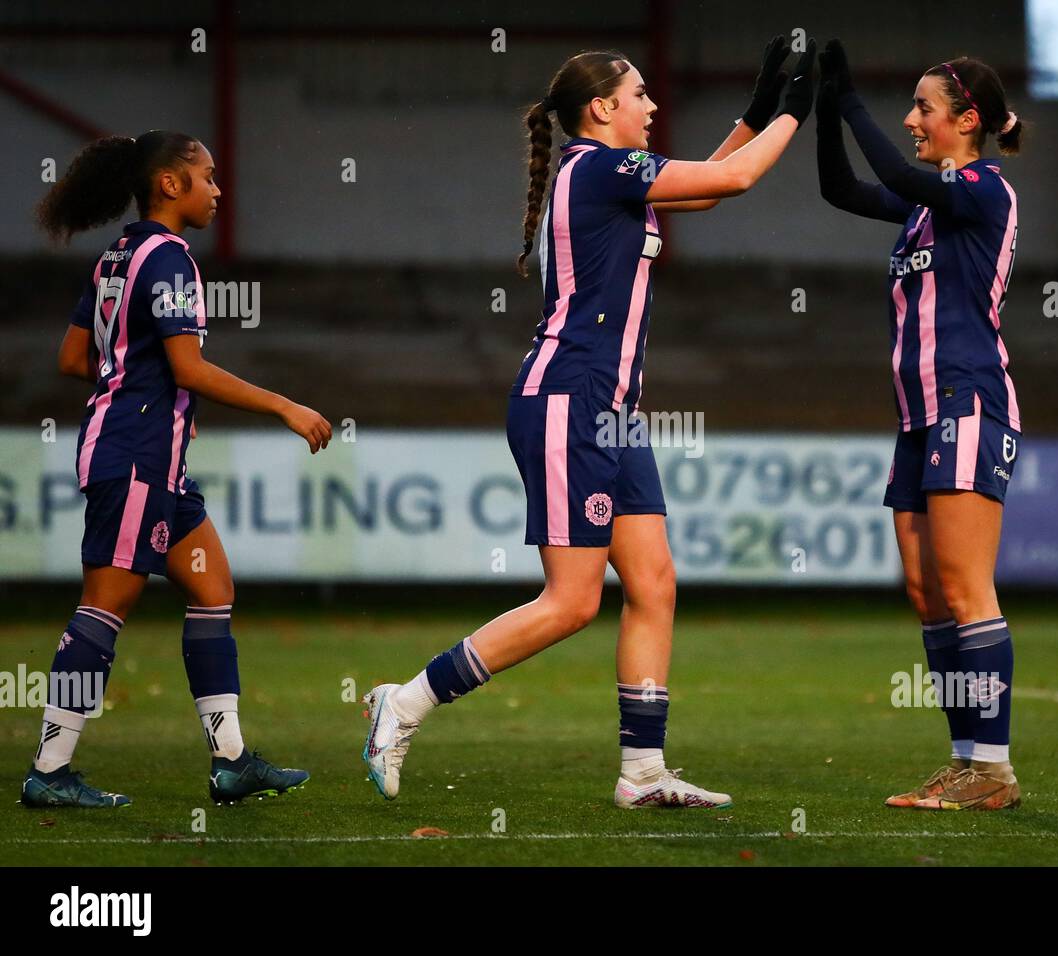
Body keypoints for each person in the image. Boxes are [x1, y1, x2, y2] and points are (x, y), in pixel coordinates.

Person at [363, 37, 818, 808]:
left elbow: (704, 189)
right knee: (572, 601)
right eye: (640, 95)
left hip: (612, 413)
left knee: (654, 582)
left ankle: (642, 774)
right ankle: (402, 703)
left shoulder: (607, 175)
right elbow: (735, 179)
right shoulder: (599, 168)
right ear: (603, 108)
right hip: (569, 401)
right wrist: (799, 112)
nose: (653, 106)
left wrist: (756, 110)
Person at [23, 130, 332, 808]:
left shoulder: (116, 257)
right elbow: (189, 367)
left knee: (212, 587)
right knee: (104, 609)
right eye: (209, 177)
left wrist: (133, 381)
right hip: (134, 456)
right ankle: (49, 772)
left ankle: (231, 762)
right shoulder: (169, 259)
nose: (219, 190)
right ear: (170, 184)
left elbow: (75, 359)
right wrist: (284, 404)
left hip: (153, 460)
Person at [816, 41, 1024, 810]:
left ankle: (992, 770)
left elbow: (902, 176)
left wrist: (849, 103)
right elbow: (841, 188)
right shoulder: (927, 203)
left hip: (969, 402)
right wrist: (821, 108)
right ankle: (967, 761)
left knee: (967, 586)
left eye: (924, 108)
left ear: (967, 122)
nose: (911, 120)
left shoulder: (981, 188)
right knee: (926, 590)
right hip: (919, 417)